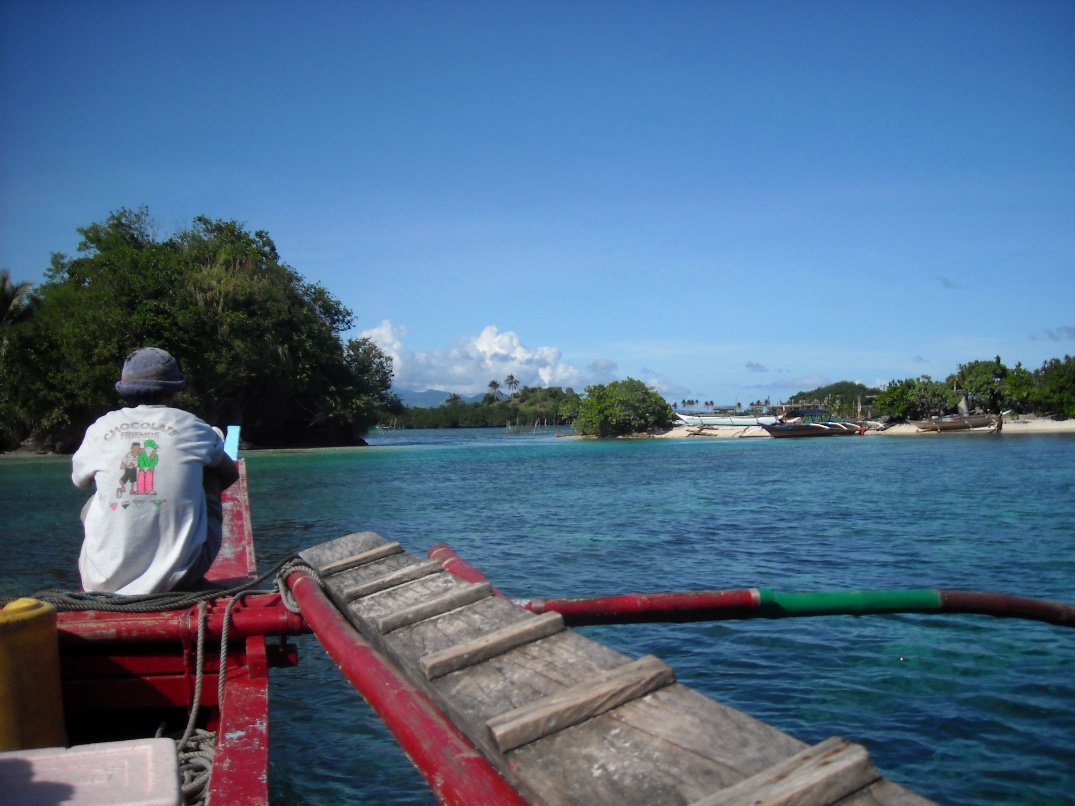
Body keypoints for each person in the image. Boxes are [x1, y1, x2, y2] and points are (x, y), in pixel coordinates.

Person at [72, 347, 239, 594]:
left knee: (96, 497)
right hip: (178, 578)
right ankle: (177, 553)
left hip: (99, 582)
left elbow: (79, 481)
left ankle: (118, 562)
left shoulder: (100, 428)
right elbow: (231, 474)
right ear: (174, 388)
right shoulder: (193, 426)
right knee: (210, 473)